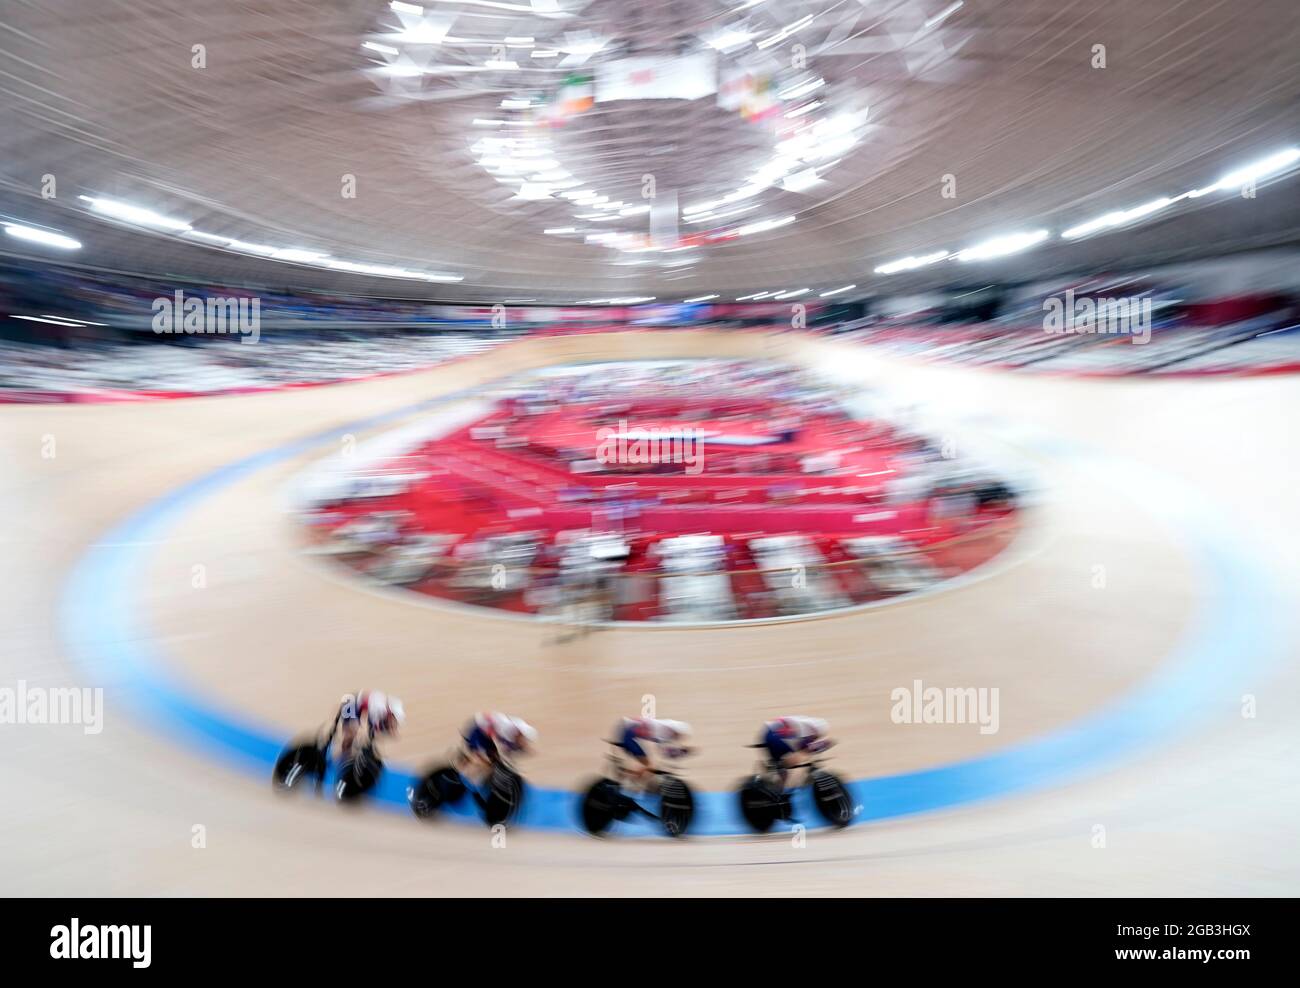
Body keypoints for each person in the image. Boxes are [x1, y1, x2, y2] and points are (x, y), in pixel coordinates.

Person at [613, 716, 692, 790]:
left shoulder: (666, 726)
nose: (678, 738)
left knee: (648, 765)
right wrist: (681, 752)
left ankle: (626, 776)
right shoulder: (665, 732)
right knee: (649, 765)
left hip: (626, 730)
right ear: (676, 731)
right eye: (679, 735)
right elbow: (664, 752)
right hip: (628, 736)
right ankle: (629, 782)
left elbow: (663, 750)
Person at [457, 711, 538, 777]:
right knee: (482, 760)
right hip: (477, 731)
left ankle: (477, 771)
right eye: (523, 738)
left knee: (493, 763)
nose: (523, 742)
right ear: (519, 733)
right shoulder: (506, 729)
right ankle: (461, 769)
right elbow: (504, 749)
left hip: (488, 733)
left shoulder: (519, 727)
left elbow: (510, 748)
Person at [760, 715, 831, 787]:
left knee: (784, 766)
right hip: (775, 736)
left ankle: (774, 772)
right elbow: (805, 750)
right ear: (815, 730)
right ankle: (779, 779)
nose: (817, 737)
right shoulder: (808, 730)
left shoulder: (805, 722)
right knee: (794, 758)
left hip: (769, 732)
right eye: (818, 735)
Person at [333, 689, 405, 760]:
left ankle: (350, 752)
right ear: (390, 713)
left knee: (364, 734)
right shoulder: (378, 708)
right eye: (393, 718)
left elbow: (378, 729)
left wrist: (389, 729)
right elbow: (371, 727)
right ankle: (342, 755)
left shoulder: (391, 712)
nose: (394, 722)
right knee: (352, 732)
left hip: (359, 706)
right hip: (350, 703)